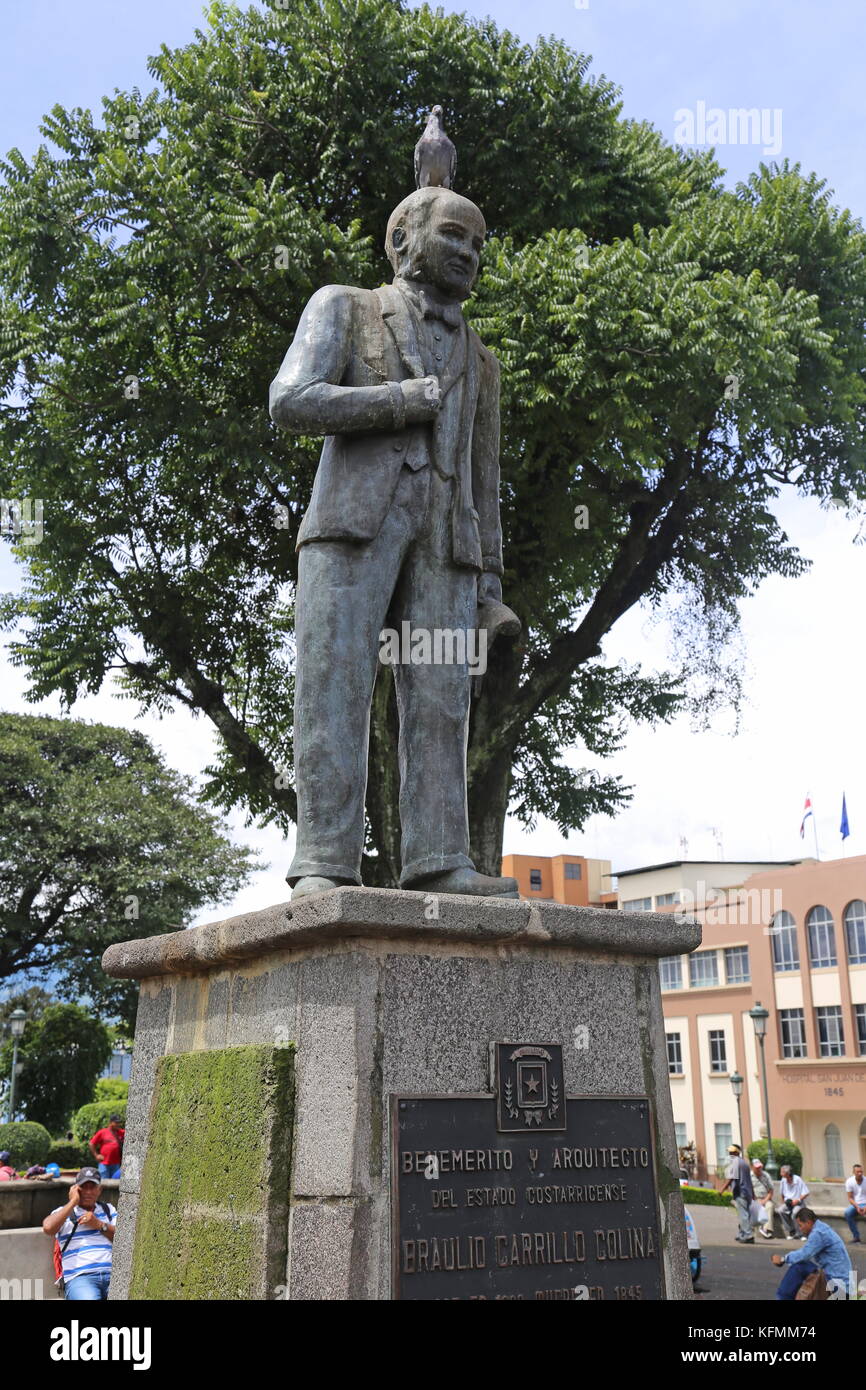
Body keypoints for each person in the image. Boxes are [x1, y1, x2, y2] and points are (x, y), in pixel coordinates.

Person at [269, 160, 520, 903]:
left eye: (478, 243)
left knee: (443, 701)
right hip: (351, 529)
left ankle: (439, 856)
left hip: (448, 546)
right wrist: (396, 400)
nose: (470, 253)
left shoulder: (481, 360)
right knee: (334, 687)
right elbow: (290, 400)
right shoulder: (343, 307)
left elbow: (483, 478)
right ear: (401, 238)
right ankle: (323, 860)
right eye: (454, 234)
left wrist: (491, 582)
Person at [42, 1166, 116, 1300]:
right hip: (80, 1277)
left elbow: (124, 1239)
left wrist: (99, 1225)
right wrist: (72, 1202)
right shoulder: (64, 1212)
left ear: (99, 1190)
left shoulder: (108, 1210)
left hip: (113, 1274)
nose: (88, 1192)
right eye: (83, 1187)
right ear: (75, 1189)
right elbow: (48, 1228)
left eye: (92, 1187)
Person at [771, 1206, 852, 1299]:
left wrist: (783, 1259)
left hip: (837, 1285)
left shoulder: (818, 1233)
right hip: (840, 1282)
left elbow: (804, 1254)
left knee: (799, 1267)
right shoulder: (822, 1227)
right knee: (803, 1267)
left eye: (800, 1225)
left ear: (808, 1223)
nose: (800, 1229)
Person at [720, 1143, 754, 1243]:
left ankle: (748, 1235)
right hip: (747, 1192)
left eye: (731, 1152)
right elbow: (749, 1180)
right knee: (744, 1214)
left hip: (741, 1192)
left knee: (743, 1215)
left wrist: (722, 1189)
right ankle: (742, 1233)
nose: (730, 1154)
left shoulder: (735, 1162)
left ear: (736, 1153)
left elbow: (731, 1178)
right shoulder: (744, 1163)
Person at [776, 1164, 810, 1238]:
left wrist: (798, 1200)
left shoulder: (797, 1179)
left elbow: (806, 1192)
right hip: (788, 1203)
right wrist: (783, 1202)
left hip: (798, 1203)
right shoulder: (783, 1180)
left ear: (788, 1173)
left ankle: (800, 1233)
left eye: (782, 1172)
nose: (780, 1173)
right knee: (780, 1210)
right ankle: (791, 1231)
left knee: (795, 1213)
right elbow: (782, 1193)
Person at [89, 1115, 124, 1179]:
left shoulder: (121, 1132)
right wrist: (96, 1155)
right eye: (116, 1123)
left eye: (119, 1123)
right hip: (104, 1164)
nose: (118, 1124)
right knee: (103, 1184)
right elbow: (91, 1143)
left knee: (116, 1185)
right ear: (110, 1123)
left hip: (116, 1164)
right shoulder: (102, 1132)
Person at [750, 1158, 775, 1238]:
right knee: (752, 1207)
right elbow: (748, 1190)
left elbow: (771, 1190)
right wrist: (755, 1200)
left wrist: (764, 1200)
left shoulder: (766, 1175)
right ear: (752, 1167)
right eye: (757, 1167)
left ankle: (766, 1230)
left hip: (766, 1198)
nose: (759, 1169)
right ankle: (750, 1229)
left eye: (760, 1167)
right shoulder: (749, 1176)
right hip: (754, 1199)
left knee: (770, 1206)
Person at [844, 1162, 866, 1244]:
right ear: (854, 1173)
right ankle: (856, 1237)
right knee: (847, 1213)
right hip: (856, 1204)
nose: (860, 1173)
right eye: (858, 1172)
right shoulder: (849, 1181)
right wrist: (857, 1207)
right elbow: (850, 1198)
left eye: (861, 1172)